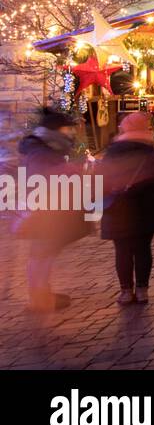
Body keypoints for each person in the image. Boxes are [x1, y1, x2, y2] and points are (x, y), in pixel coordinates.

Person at [16, 107, 89, 312]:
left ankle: (41, 294)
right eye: (67, 129)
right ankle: (39, 298)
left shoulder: (45, 147)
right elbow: (43, 178)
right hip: (43, 211)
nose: (71, 134)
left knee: (44, 252)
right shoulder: (41, 151)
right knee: (42, 253)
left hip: (45, 209)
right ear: (56, 131)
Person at [99, 111, 154, 305]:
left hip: (117, 208)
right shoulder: (152, 151)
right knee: (142, 250)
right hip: (145, 208)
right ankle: (142, 289)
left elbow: (101, 180)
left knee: (122, 251)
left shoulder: (113, 152)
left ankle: (125, 291)